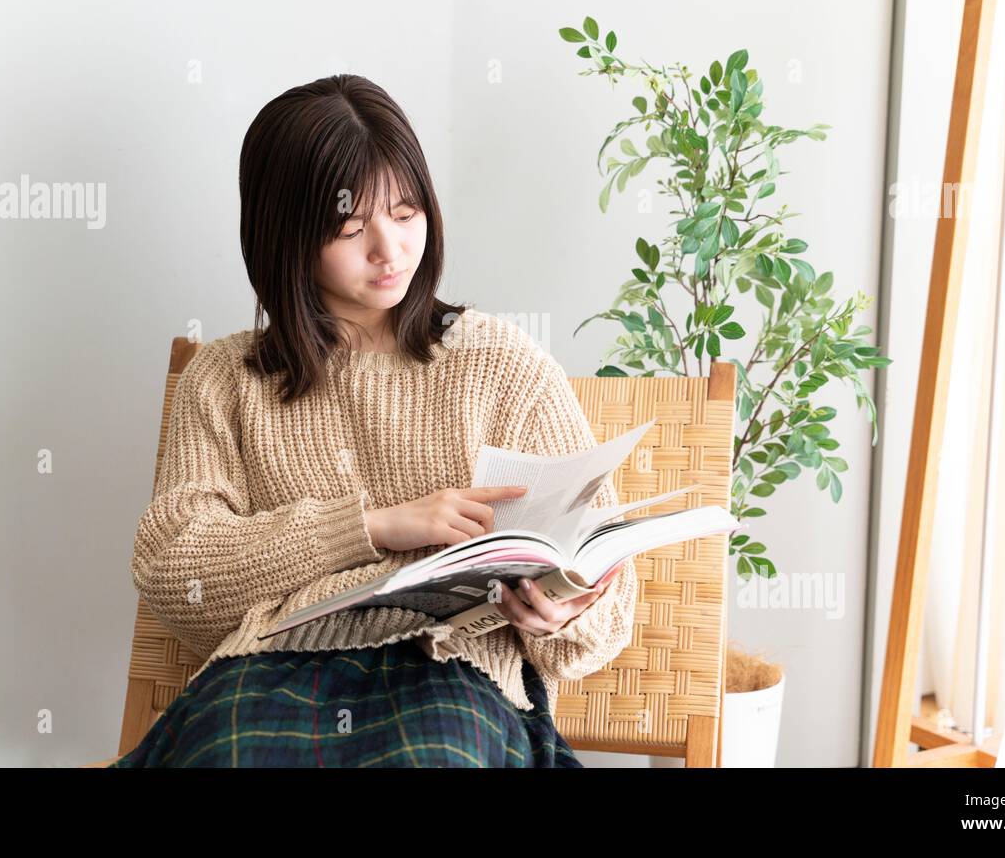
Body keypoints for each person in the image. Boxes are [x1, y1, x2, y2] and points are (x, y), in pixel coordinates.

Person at [111, 73, 638, 767]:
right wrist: (372, 527)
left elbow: (607, 583)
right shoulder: (226, 379)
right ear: (285, 235)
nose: (389, 248)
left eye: (407, 210)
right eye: (351, 227)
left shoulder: (499, 363)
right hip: (268, 671)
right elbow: (176, 570)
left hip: (449, 671)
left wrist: (564, 611)